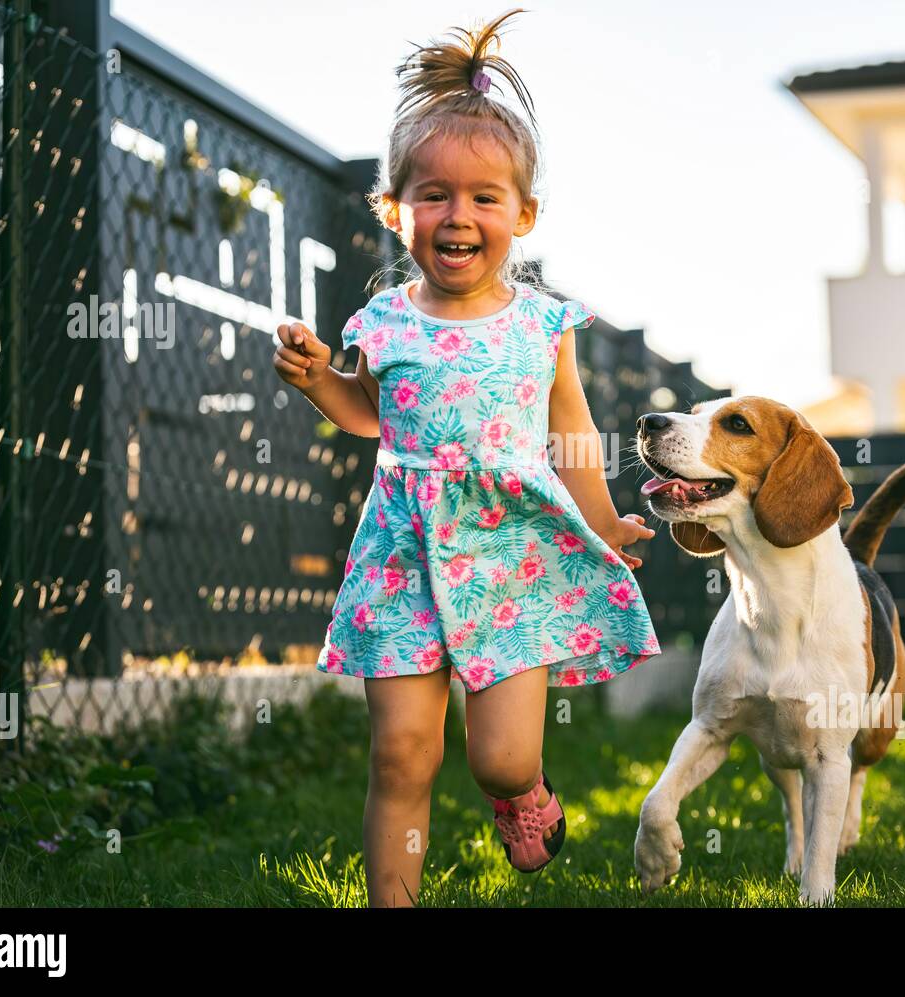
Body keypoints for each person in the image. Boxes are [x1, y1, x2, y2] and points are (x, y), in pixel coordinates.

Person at [272, 7, 662, 907]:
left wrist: (600, 519)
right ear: (395, 207)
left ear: (523, 213)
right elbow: (369, 417)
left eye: (485, 197)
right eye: (435, 195)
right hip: (402, 555)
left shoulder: (543, 323)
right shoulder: (381, 322)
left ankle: (521, 793)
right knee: (403, 749)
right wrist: (317, 380)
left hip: (513, 552)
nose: (459, 216)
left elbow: (570, 426)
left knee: (500, 751)